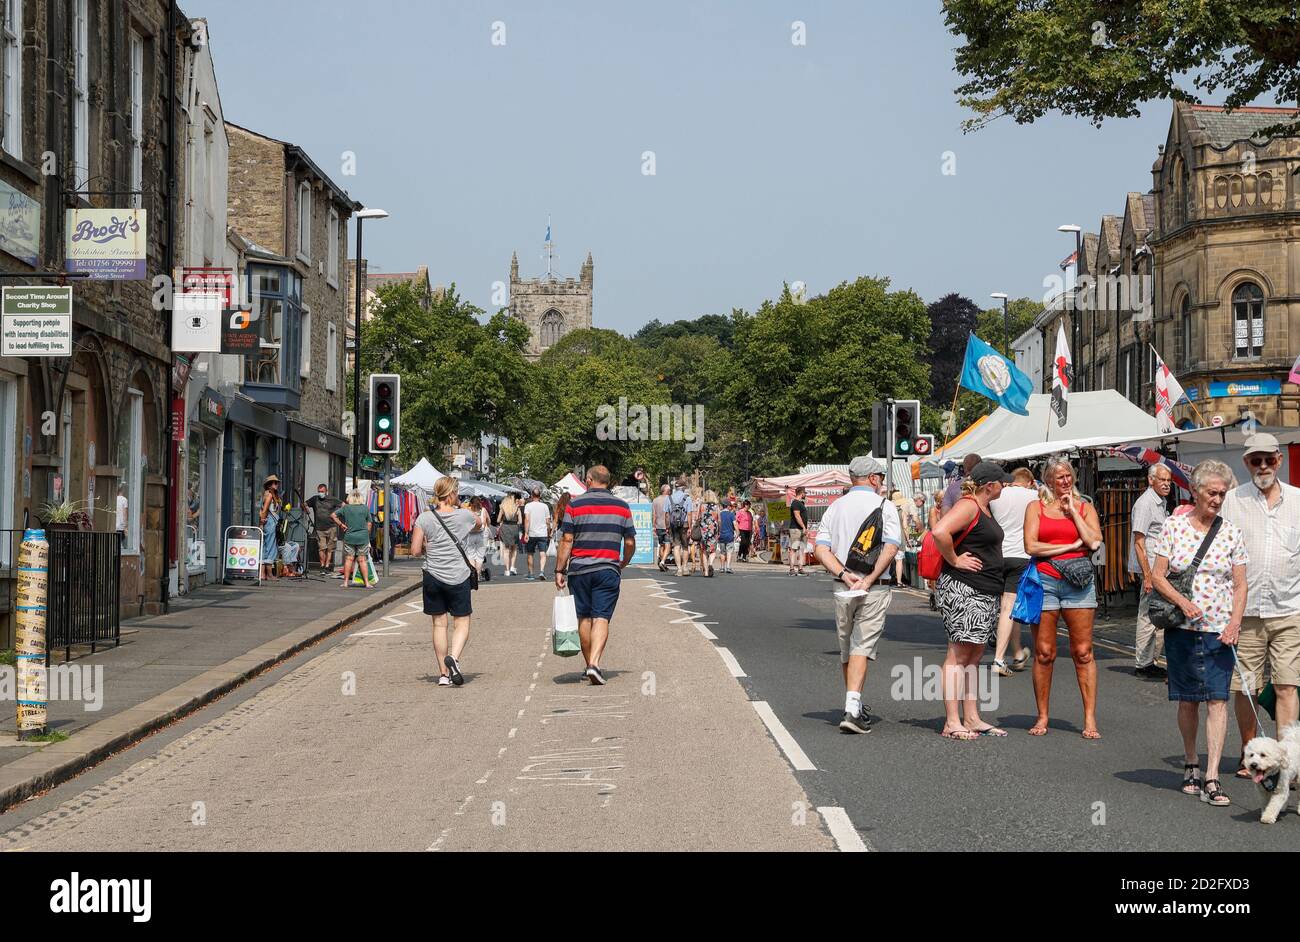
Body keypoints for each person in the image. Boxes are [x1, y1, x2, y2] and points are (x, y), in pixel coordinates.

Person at [1149, 459, 1247, 807]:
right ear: (1196, 490)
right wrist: (1184, 603)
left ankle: (1212, 775)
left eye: (1222, 494)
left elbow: (1239, 584)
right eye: (1211, 492)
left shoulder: (1232, 532)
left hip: (1220, 631)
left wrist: (1235, 622)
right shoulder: (1174, 527)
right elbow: (1158, 576)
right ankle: (1191, 761)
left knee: (1218, 700)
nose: (1217, 499)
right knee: (1189, 699)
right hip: (1182, 627)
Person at [1221, 432, 1300, 772]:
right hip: (1246, 612)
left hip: (1289, 608)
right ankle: (1250, 753)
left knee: (1286, 686)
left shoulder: (1298, 500)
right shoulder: (1233, 501)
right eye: (1256, 460)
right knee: (1247, 688)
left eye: (1269, 459)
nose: (1264, 465)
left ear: (1279, 460)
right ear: (1246, 463)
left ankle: (1285, 760)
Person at [812, 456, 901, 735]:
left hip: (843, 587)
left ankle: (854, 703)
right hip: (873, 586)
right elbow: (890, 548)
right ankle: (852, 709)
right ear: (873, 478)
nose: (882, 483)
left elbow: (821, 549)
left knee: (847, 647)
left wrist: (843, 574)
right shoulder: (884, 506)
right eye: (882, 478)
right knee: (862, 645)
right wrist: (870, 578)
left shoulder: (834, 507)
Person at [1023, 456, 1104, 738]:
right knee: (1044, 652)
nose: (1066, 481)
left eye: (1068, 476)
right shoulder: (1036, 507)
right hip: (1045, 580)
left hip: (1079, 584)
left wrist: (1074, 514)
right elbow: (1030, 545)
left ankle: (1090, 719)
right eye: (1059, 477)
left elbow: (1094, 542)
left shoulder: (1085, 507)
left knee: (1083, 652)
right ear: (1048, 480)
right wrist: (1069, 546)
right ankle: (1042, 716)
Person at [932, 463, 1013, 739]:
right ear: (989, 485)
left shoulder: (986, 508)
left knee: (974, 655)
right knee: (958, 653)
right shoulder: (969, 505)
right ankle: (952, 721)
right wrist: (954, 560)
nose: (1006, 485)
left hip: (984, 588)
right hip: (964, 587)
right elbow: (940, 532)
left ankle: (972, 717)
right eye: (1002, 482)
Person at [555, 465, 636, 685]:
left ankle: (589, 664)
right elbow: (629, 542)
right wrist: (623, 562)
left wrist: (559, 569)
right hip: (608, 569)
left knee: (583, 617)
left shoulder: (575, 505)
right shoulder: (622, 507)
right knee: (602, 617)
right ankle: (594, 664)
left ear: (589, 480)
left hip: (580, 569)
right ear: (608, 482)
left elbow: (567, 540)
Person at [410, 476, 482, 686]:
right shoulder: (464, 515)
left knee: (439, 625)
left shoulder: (424, 518)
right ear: (451, 494)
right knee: (461, 622)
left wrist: (427, 546)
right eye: (457, 492)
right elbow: (480, 524)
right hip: (459, 576)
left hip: (433, 575)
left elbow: (414, 551)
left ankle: (443, 674)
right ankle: (455, 659)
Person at [990, 467, 1038, 676]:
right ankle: (999, 659)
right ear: (1030, 481)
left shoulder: (998, 494)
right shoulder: (1035, 496)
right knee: (1011, 606)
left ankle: (1017, 652)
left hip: (997, 554)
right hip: (1022, 555)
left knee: (1007, 608)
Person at [1130, 464, 1173, 678]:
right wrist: (1147, 575)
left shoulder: (1160, 502)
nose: (1166, 484)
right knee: (1148, 614)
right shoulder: (1145, 503)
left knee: (1160, 614)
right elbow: (1139, 541)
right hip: (1151, 568)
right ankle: (1143, 664)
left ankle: (1151, 660)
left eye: (1168, 480)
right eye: (1162, 480)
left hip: (1160, 568)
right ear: (1151, 480)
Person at [331, 489, 376, 590]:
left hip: (349, 537)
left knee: (349, 559)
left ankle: (346, 582)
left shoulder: (346, 508)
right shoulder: (365, 508)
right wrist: (366, 534)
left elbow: (333, 515)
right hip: (363, 537)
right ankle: (367, 583)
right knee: (362, 560)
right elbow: (369, 523)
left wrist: (341, 525)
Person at [306, 483, 343, 577]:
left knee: (330, 548)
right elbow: (304, 503)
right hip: (319, 528)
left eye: (322, 491)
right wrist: (306, 510)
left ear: (326, 491)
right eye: (319, 491)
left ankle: (327, 566)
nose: (320, 493)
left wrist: (337, 515)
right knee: (321, 548)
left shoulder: (332, 499)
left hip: (331, 527)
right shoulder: (315, 499)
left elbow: (344, 505)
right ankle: (322, 566)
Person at [523, 487, 552, 581]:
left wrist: (526, 533)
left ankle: (531, 574)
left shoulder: (528, 506)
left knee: (530, 553)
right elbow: (548, 521)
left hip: (532, 533)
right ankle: (542, 571)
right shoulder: (545, 506)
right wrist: (548, 531)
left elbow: (527, 520)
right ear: (540, 496)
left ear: (531, 495)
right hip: (542, 533)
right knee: (542, 553)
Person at [667, 477, 694, 576]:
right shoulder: (687, 498)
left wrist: (667, 527)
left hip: (673, 524)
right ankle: (685, 568)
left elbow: (667, 514)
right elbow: (690, 513)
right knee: (685, 546)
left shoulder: (669, 498)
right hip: (685, 524)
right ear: (683, 488)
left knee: (676, 547)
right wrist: (690, 527)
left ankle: (678, 569)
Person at [259, 474, 282, 581]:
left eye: (277, 483)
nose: (276, 484)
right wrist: (262, 522)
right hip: (270, 523)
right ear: (269, 485)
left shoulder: (268, 494)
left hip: (268, 523)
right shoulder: (269, 495)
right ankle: (269, 574)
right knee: (271, 547)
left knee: (264, 548)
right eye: (274, 483)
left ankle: (262, 574)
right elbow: (264, 509)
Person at [464, 496, 490, 579]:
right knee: (480, 557)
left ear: (470, 503)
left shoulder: (467, 511)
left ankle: (473, 575)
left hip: (470, 534)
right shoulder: (483, 510)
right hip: (482, 535)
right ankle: (477, 576)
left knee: (470, 556)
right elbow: (488, 521)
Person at [496, 493, 522, 576]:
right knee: (514, 548)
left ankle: (507, 570)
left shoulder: (503, 508)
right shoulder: (517, 508)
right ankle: (512, 567)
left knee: (506, 549)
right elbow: (520, 521)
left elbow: (498, 520)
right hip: (514, 527)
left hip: (505, 527)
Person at [697, 489, 721, 577]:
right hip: (713, 529)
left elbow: (697, 517)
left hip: (703, 529)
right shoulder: (716, 506)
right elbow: (719, 520)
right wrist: (719, 530)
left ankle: (706, 572)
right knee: (713, 550)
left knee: (703, 550)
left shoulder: (701, 506)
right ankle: (710, 563)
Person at [788, 487, 809, 575]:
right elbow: (797, 516)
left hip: (802, 529)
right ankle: (792, 569)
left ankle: (800, 568)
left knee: (802, 549)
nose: (805, 495)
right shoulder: (795, 503)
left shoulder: (801, 503)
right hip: (796, 529)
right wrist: (804, 527)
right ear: (801, 493)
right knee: (794, 548)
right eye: (805, 493)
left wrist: (805, 528)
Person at [652, 484, 672, 572]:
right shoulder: (670, 500)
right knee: (668, 545)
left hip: (658, 526)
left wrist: (653, 526)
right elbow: (669, 514)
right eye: (670, 490)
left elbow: (654, 515)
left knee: (662, 545)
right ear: (666, 491)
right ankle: (663, 562)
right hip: (666, 526)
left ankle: (662, 562)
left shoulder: (655, 500)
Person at [719, 500, 737, 573]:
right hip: (730, 535)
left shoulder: (719, 514)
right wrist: (738, 532)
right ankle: (728, 567)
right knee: (729, 552)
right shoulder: (731, 514)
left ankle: (722, 567)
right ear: (728, 506)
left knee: (722, 552)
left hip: (721, 535)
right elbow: (735, 524)